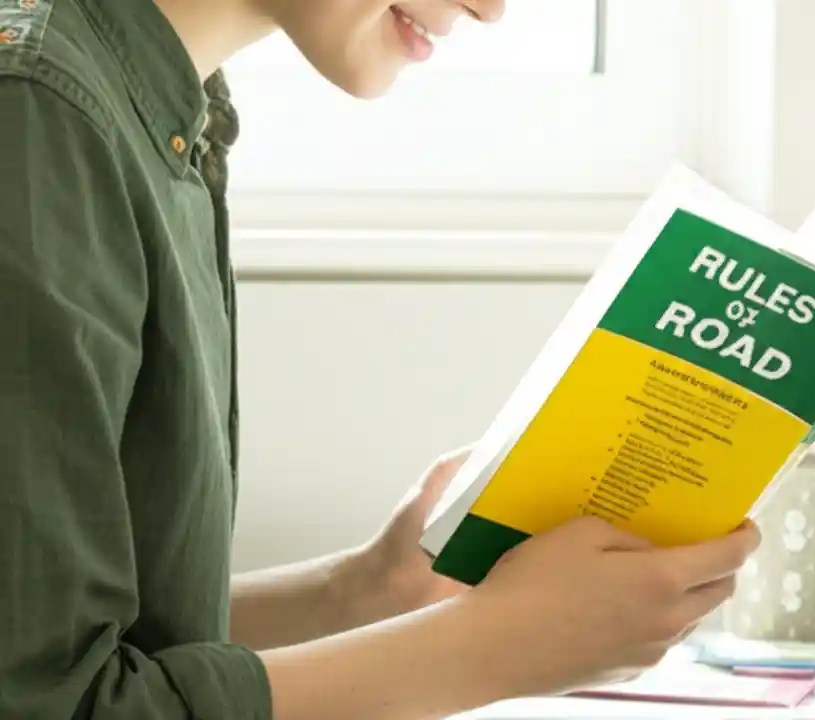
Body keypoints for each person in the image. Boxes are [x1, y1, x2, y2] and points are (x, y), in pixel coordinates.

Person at [0, 0, 762, 718]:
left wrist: (368, 590)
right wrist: (493, 647)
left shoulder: (153, 117)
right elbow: (49, 703)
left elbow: (100, 642)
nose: (490, 8)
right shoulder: (38, 117)